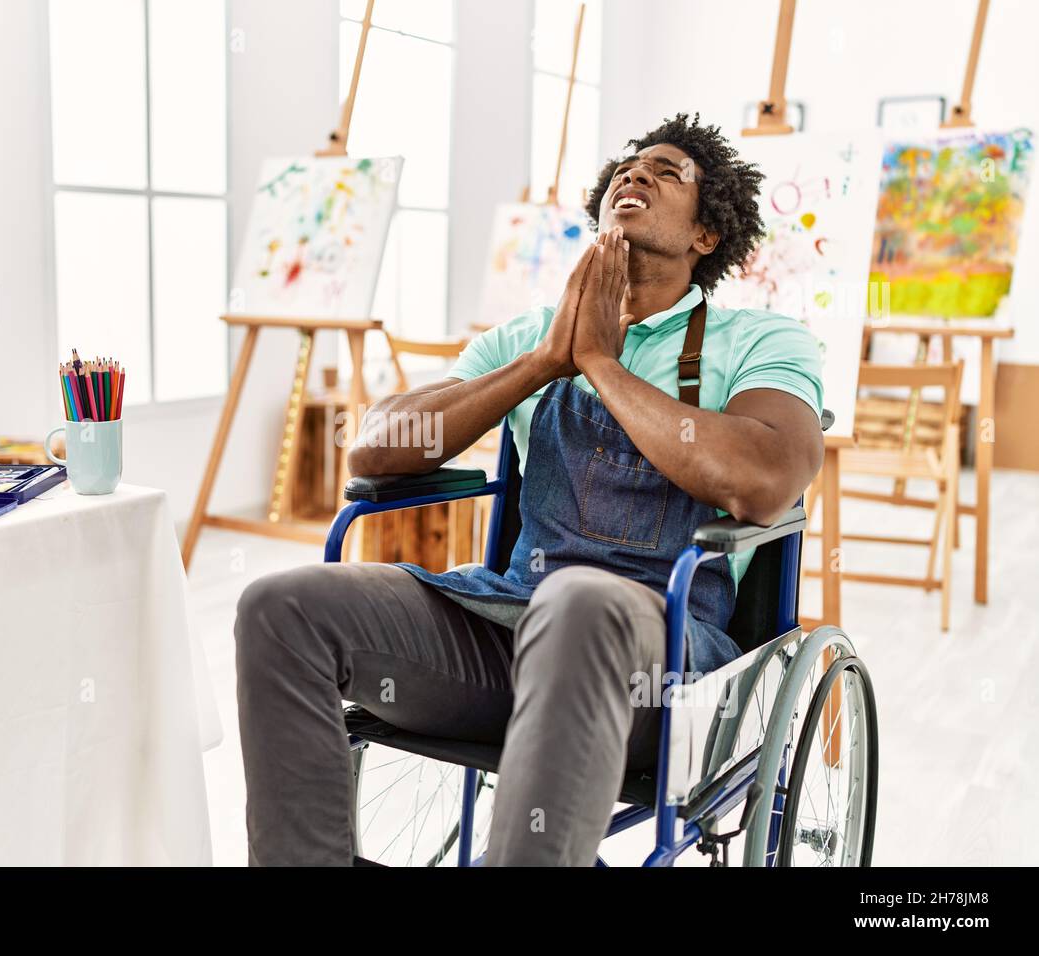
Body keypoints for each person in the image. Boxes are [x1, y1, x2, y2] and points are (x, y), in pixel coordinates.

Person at [234, 113, 824, 866]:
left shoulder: (762, 341)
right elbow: (378, 446)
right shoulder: (530, 338)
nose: (633, 174)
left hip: (662, 666)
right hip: (508, 629)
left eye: (666, 171)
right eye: (625, 168)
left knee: (581, 600)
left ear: (707, 236)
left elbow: (766, 480)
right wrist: (545, 363)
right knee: (280, 608)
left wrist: (602, 366)